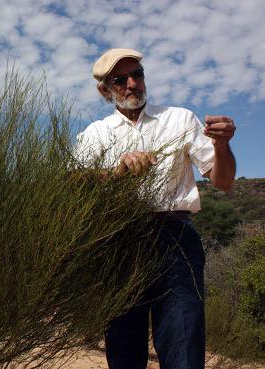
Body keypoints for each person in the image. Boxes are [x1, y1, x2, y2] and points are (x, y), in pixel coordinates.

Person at [73, 48, 236, 369]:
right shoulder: (95, 134)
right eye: (121, 79)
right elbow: (73, 182)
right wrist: (114, 174)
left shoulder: (179, 119)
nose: (133, 83)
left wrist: (221, 145)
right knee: (123, 347)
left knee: (183, 343)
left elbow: (223, 182)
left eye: (138, 74)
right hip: (118, 243)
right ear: (105, 90)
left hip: (175, 240)